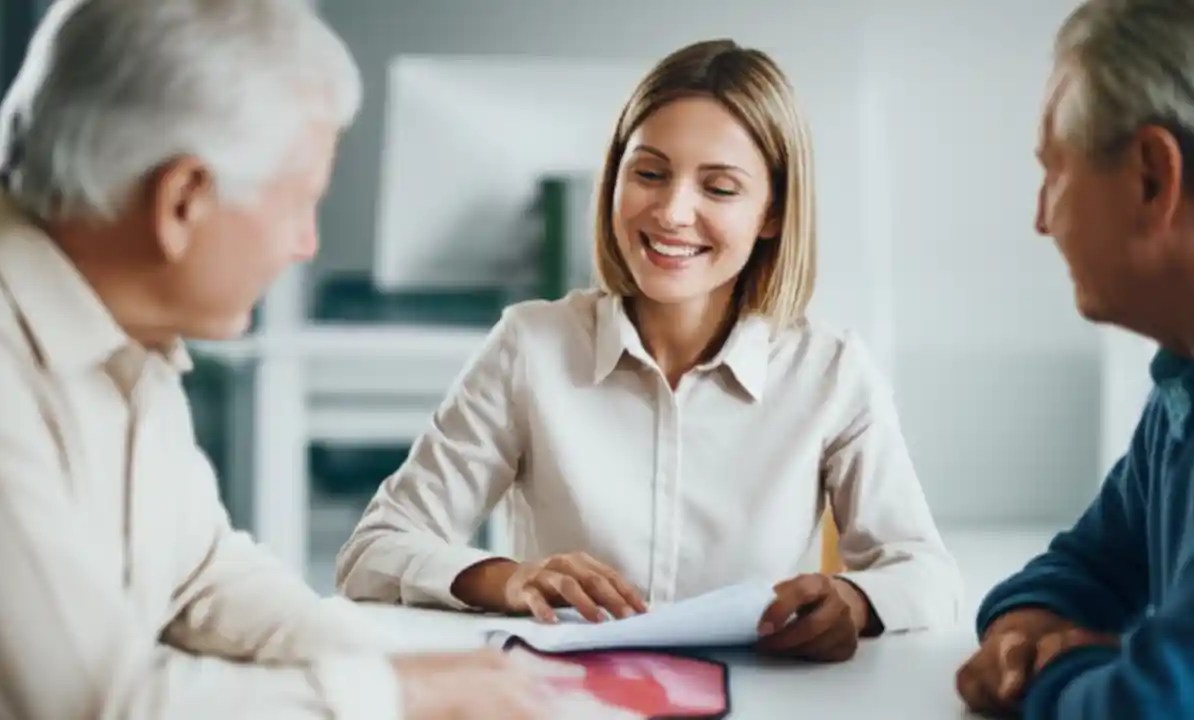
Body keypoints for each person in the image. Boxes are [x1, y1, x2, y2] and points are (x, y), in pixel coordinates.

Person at [0, 1, 549, 718]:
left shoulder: (120, 327)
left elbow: (202, 577)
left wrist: (401, 668)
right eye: (301, 204)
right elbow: (98, 706)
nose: (306, 245)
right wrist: (398, 696)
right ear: (183, 201)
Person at [337, 38, 961, 664]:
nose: (671, 212)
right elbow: (374, 550)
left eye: (719, 188)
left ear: (771, 212)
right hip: (570, 701)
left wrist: (851, 601)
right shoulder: (531, 346)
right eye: (650, 173)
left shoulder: (830, 371)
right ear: (615, 177)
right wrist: (509, 578)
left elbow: (927, 578)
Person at [956, 0, 1194, 717]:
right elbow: (1085, 566)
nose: (1042, 218)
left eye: (1055, 172)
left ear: (1152, 178)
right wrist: (1025, 629)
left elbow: (1179, 706)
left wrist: (1054, 677)